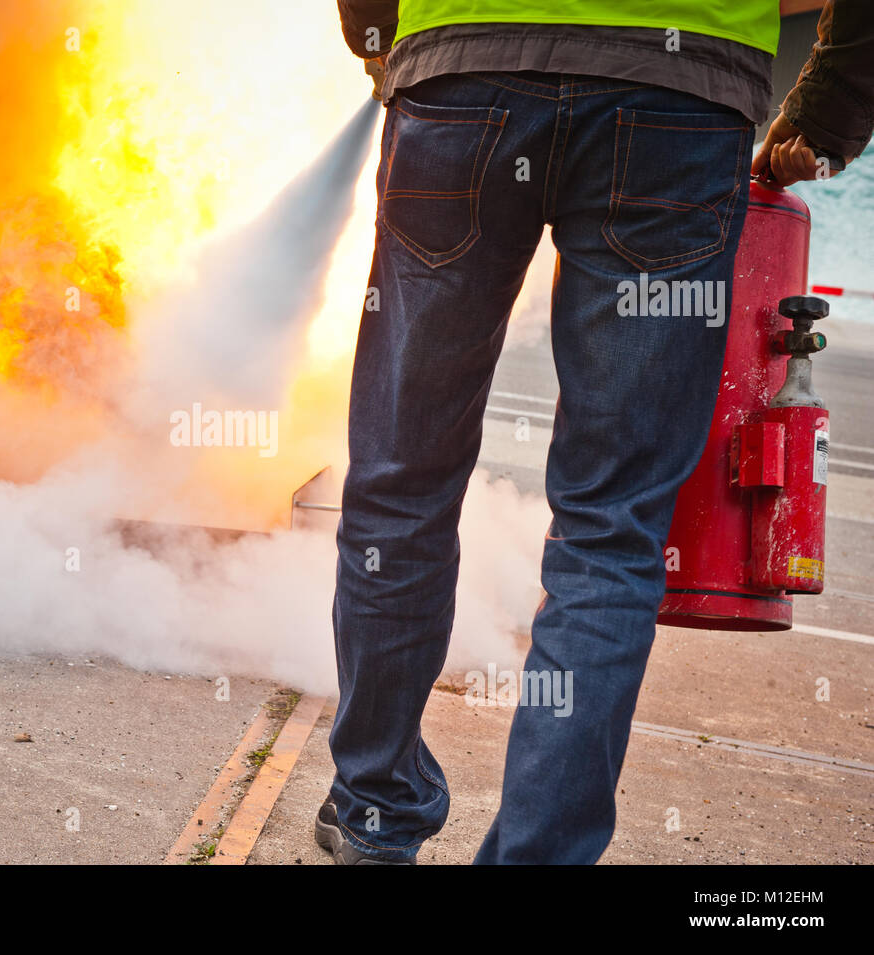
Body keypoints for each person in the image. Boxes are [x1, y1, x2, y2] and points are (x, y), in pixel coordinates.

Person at [321, 0, 874, 864]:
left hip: (465, 74)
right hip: (679, 100)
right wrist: (829, 111)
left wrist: (383, 37)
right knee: (610, 528)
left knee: (403, 477)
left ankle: (375, 811)